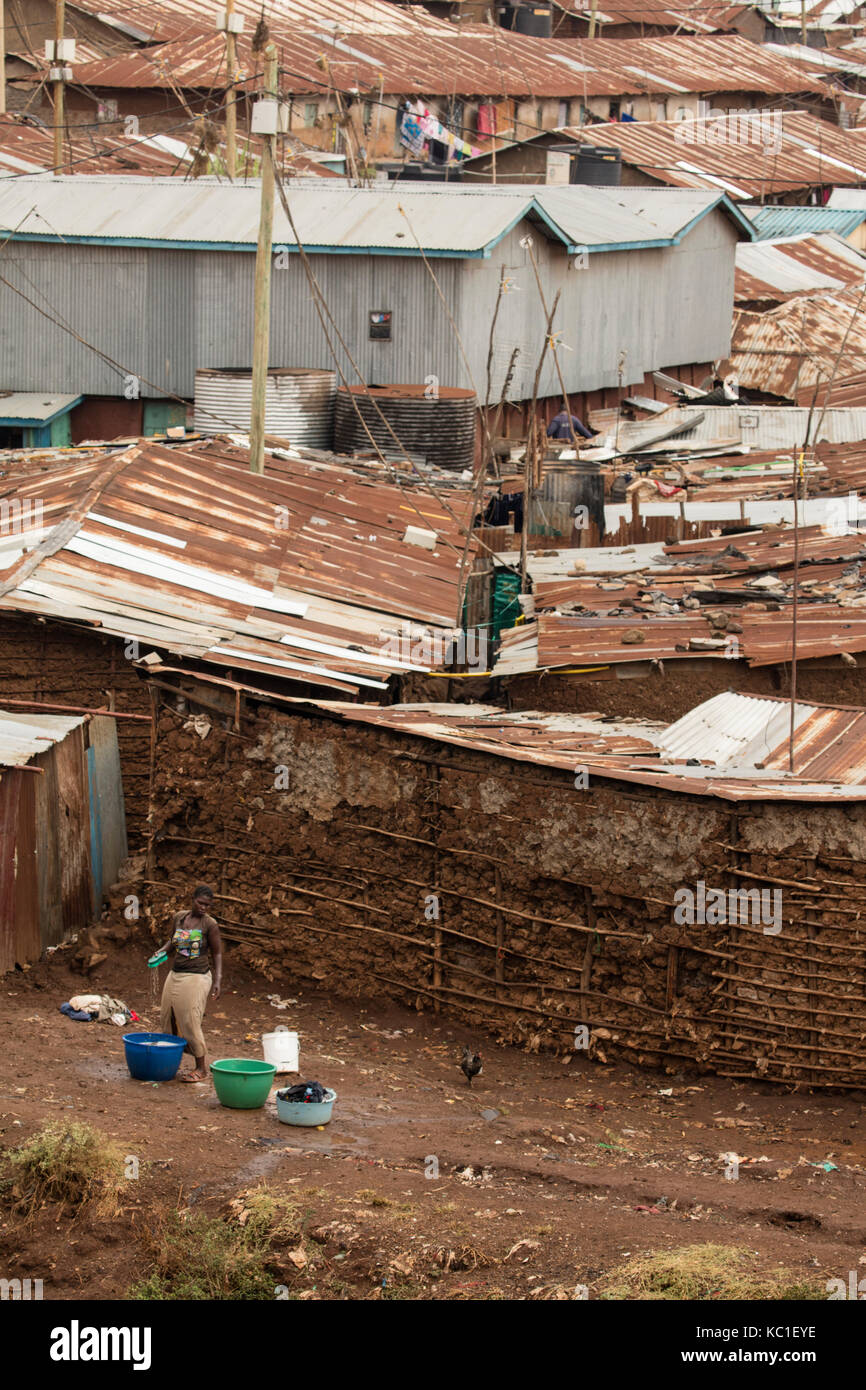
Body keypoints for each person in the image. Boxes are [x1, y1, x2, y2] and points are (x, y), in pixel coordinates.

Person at [155, 885, 222, 1084]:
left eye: (207, 905)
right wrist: (161, 951)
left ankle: (201, 1068)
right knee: (167, 1017)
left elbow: (217, 953)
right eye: (200, 903)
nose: (203, 907)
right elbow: (172, 942)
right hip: (176, 973)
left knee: (190, 1020)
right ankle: (171, 1060)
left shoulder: (209, 925)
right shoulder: (179, 918)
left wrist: (217, 981)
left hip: (197, 976)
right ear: (192, 899)